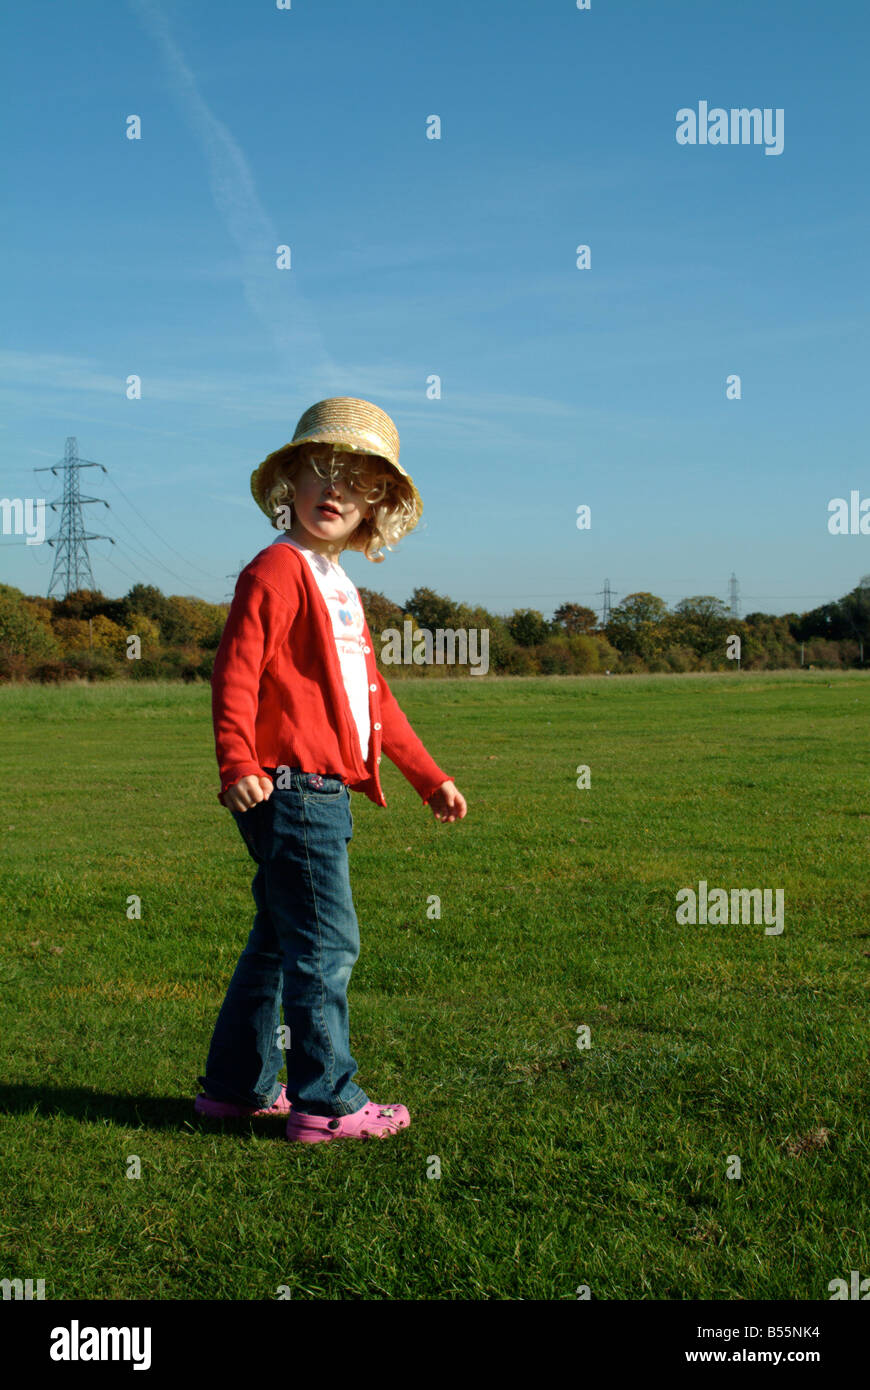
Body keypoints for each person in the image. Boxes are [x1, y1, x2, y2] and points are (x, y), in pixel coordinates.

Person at [195, 398, 467, 1143]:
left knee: (280, 942)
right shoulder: (277, 570)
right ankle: (327, 1103)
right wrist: (236, 759)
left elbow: (374, 700)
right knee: (327, 946)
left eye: (359, 484)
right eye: (322, 471)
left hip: (317, 790)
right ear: (292, 480)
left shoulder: (339, 586)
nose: (336, 491)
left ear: (375, 511)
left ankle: (234, 1091)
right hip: (289, 787)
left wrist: (427, 774)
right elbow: (236, 672)